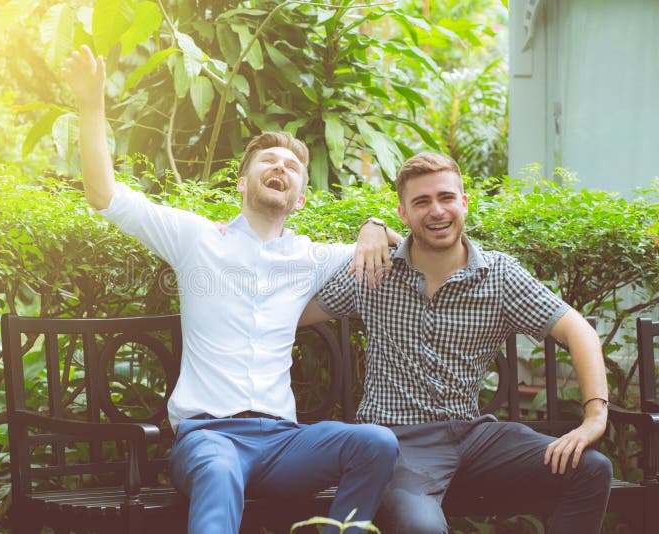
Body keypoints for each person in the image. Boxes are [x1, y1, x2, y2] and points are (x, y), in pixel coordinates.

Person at [62, 45, 400, 534]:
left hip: (284, 442)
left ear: (300, 197)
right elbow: (104, 194)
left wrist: (373, 225)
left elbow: (406, 247)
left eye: (291, 166)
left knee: (376, 444)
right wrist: (91, 104)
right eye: (269, 160)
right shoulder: (194, 238)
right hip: (209, 437)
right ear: (242, 183)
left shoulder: (310, 256)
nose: (280, 167)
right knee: (219, 471)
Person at [302, 152, 613, 533]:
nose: (437, 211)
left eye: (446, 197)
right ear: (403, 213)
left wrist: (594, 418)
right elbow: (292, 315)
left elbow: (578, 330)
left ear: (464, 202)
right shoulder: (374, 271)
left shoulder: (499, 276)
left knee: (590, 468)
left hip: (473, 438)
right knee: (423, 528)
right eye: (421, 202)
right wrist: (370, 225)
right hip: (396, 445)